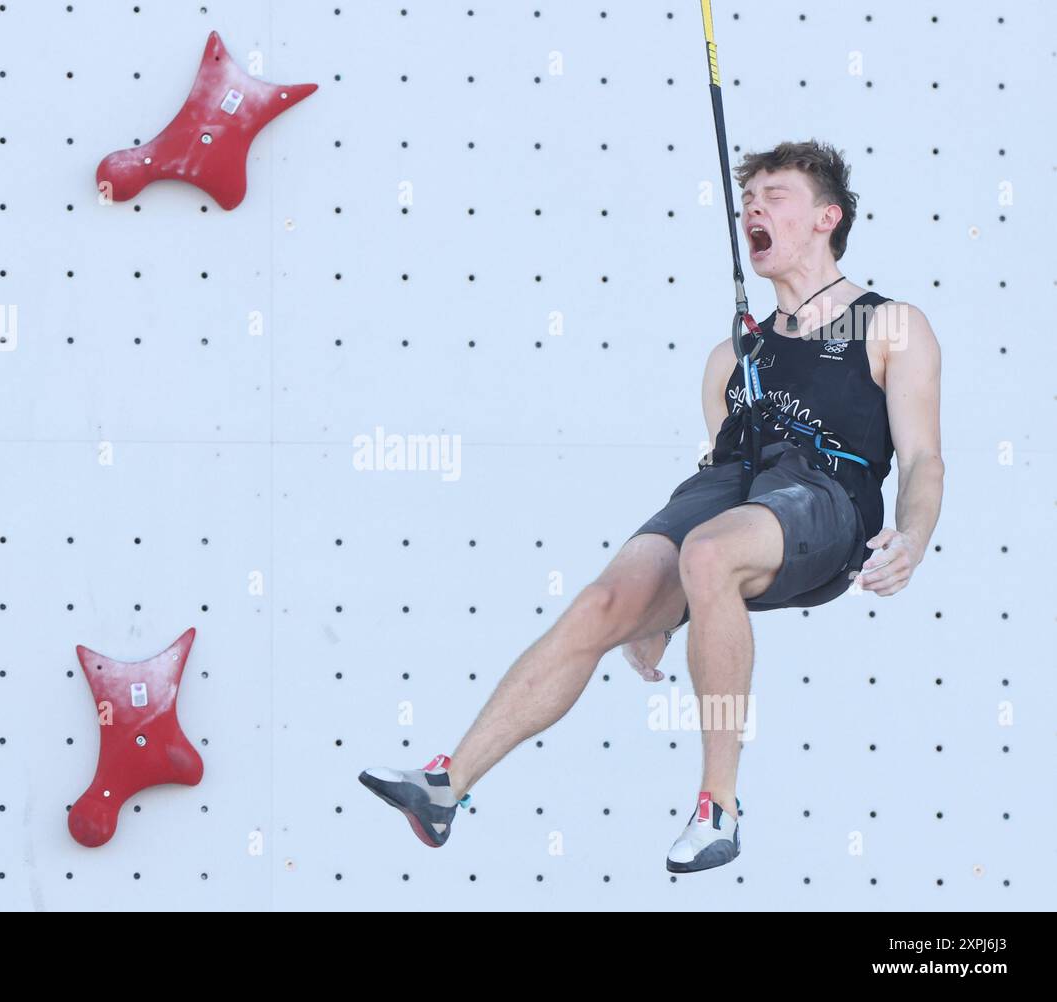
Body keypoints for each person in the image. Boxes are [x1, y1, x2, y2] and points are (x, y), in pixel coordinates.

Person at [360, 139, 944, 873]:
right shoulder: (733, 356)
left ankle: (718, 807)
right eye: (748, 198)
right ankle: (448, 785)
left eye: (776, 194)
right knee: (605, 601)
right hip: (736, 490)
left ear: (828, 216)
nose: (753, 207)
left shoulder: (890, 324)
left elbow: (923, 457)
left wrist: (913, 536)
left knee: (709, 554)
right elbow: (719, 478)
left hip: (828, 495)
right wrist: (665, 611)